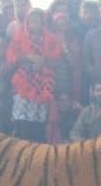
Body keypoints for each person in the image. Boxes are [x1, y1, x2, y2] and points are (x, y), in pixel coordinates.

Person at [5, 8, 61, 141]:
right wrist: (27, 57)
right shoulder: (19, 37)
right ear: (27, 22)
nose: (35, 24)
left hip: (43, 84)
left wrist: (43, 62)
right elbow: (11, 56)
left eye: (38, 21)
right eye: (32, 21)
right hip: (23, 83)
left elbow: (57, 60)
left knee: (39, 124)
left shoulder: (51, 38)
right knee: (21, 123)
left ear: (43, 23)